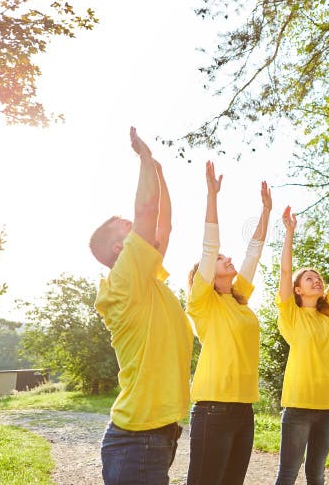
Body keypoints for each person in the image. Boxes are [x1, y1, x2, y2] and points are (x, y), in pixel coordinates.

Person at [90, 127, 193, 485]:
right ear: (120, 249)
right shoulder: (125, 283)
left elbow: (163, 224)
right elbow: (148, 210)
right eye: (129, 229)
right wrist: (144, 158)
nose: (140, 230)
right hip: (138, 439)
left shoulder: (145, 281)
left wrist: (161, 175)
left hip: (154, 436)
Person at [185, 161, 271, 484]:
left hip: (243, 412)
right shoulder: (203, 303)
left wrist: (266, 211)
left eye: (224, 256)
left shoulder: (238, 297)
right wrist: (212, 196)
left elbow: (253, 253)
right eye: (221, 260)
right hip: (213, 411)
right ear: (204, 275)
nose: (226, 257)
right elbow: (209, 249)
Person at [274, 206, 329, 485]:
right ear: (297, 289)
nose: (317, 280)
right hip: (298, 406)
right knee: (288, 474)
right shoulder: (290, 315)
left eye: (318, 278)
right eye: (309, 278)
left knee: (316, 475)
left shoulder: (327, 314)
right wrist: (289, 234)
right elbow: (285, 271)